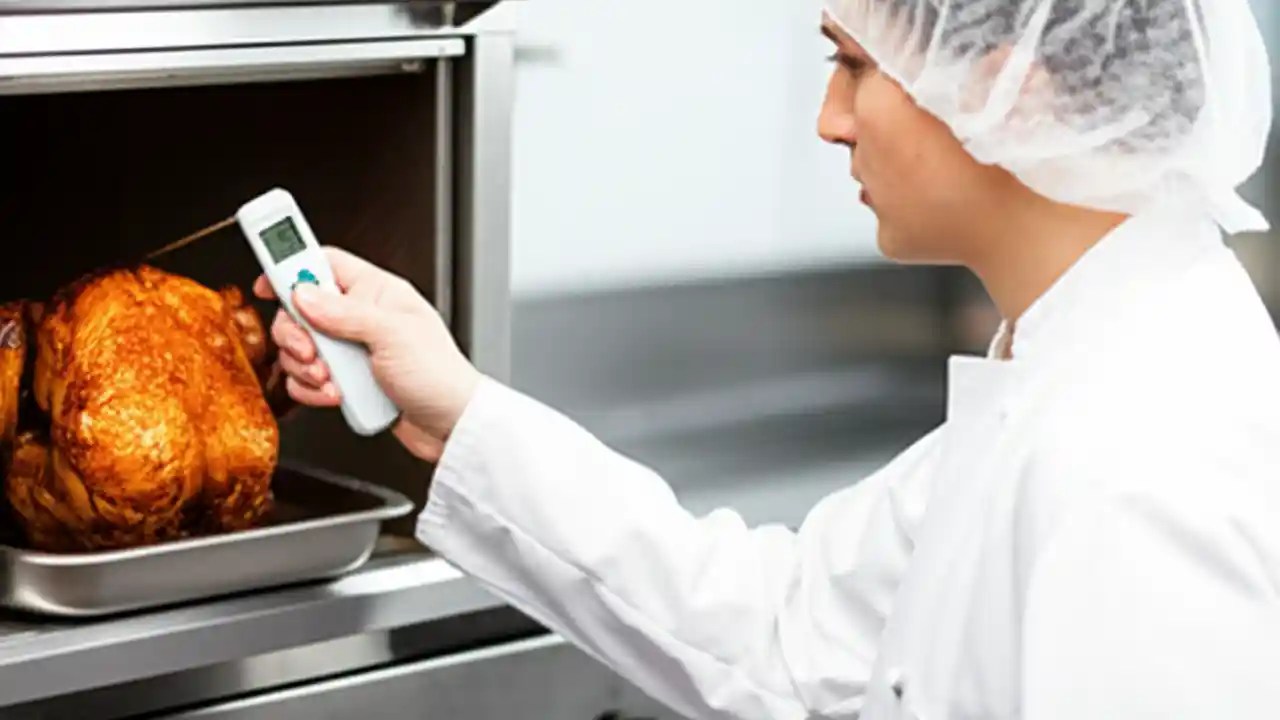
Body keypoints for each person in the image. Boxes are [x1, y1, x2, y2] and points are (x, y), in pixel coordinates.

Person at [257, 1, 1280, 717]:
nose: (829, 121)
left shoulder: (1145, 460)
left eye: (852, 62)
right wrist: (459, 407)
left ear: (1012, 88)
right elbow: (791, 639)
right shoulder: (1074, 369)